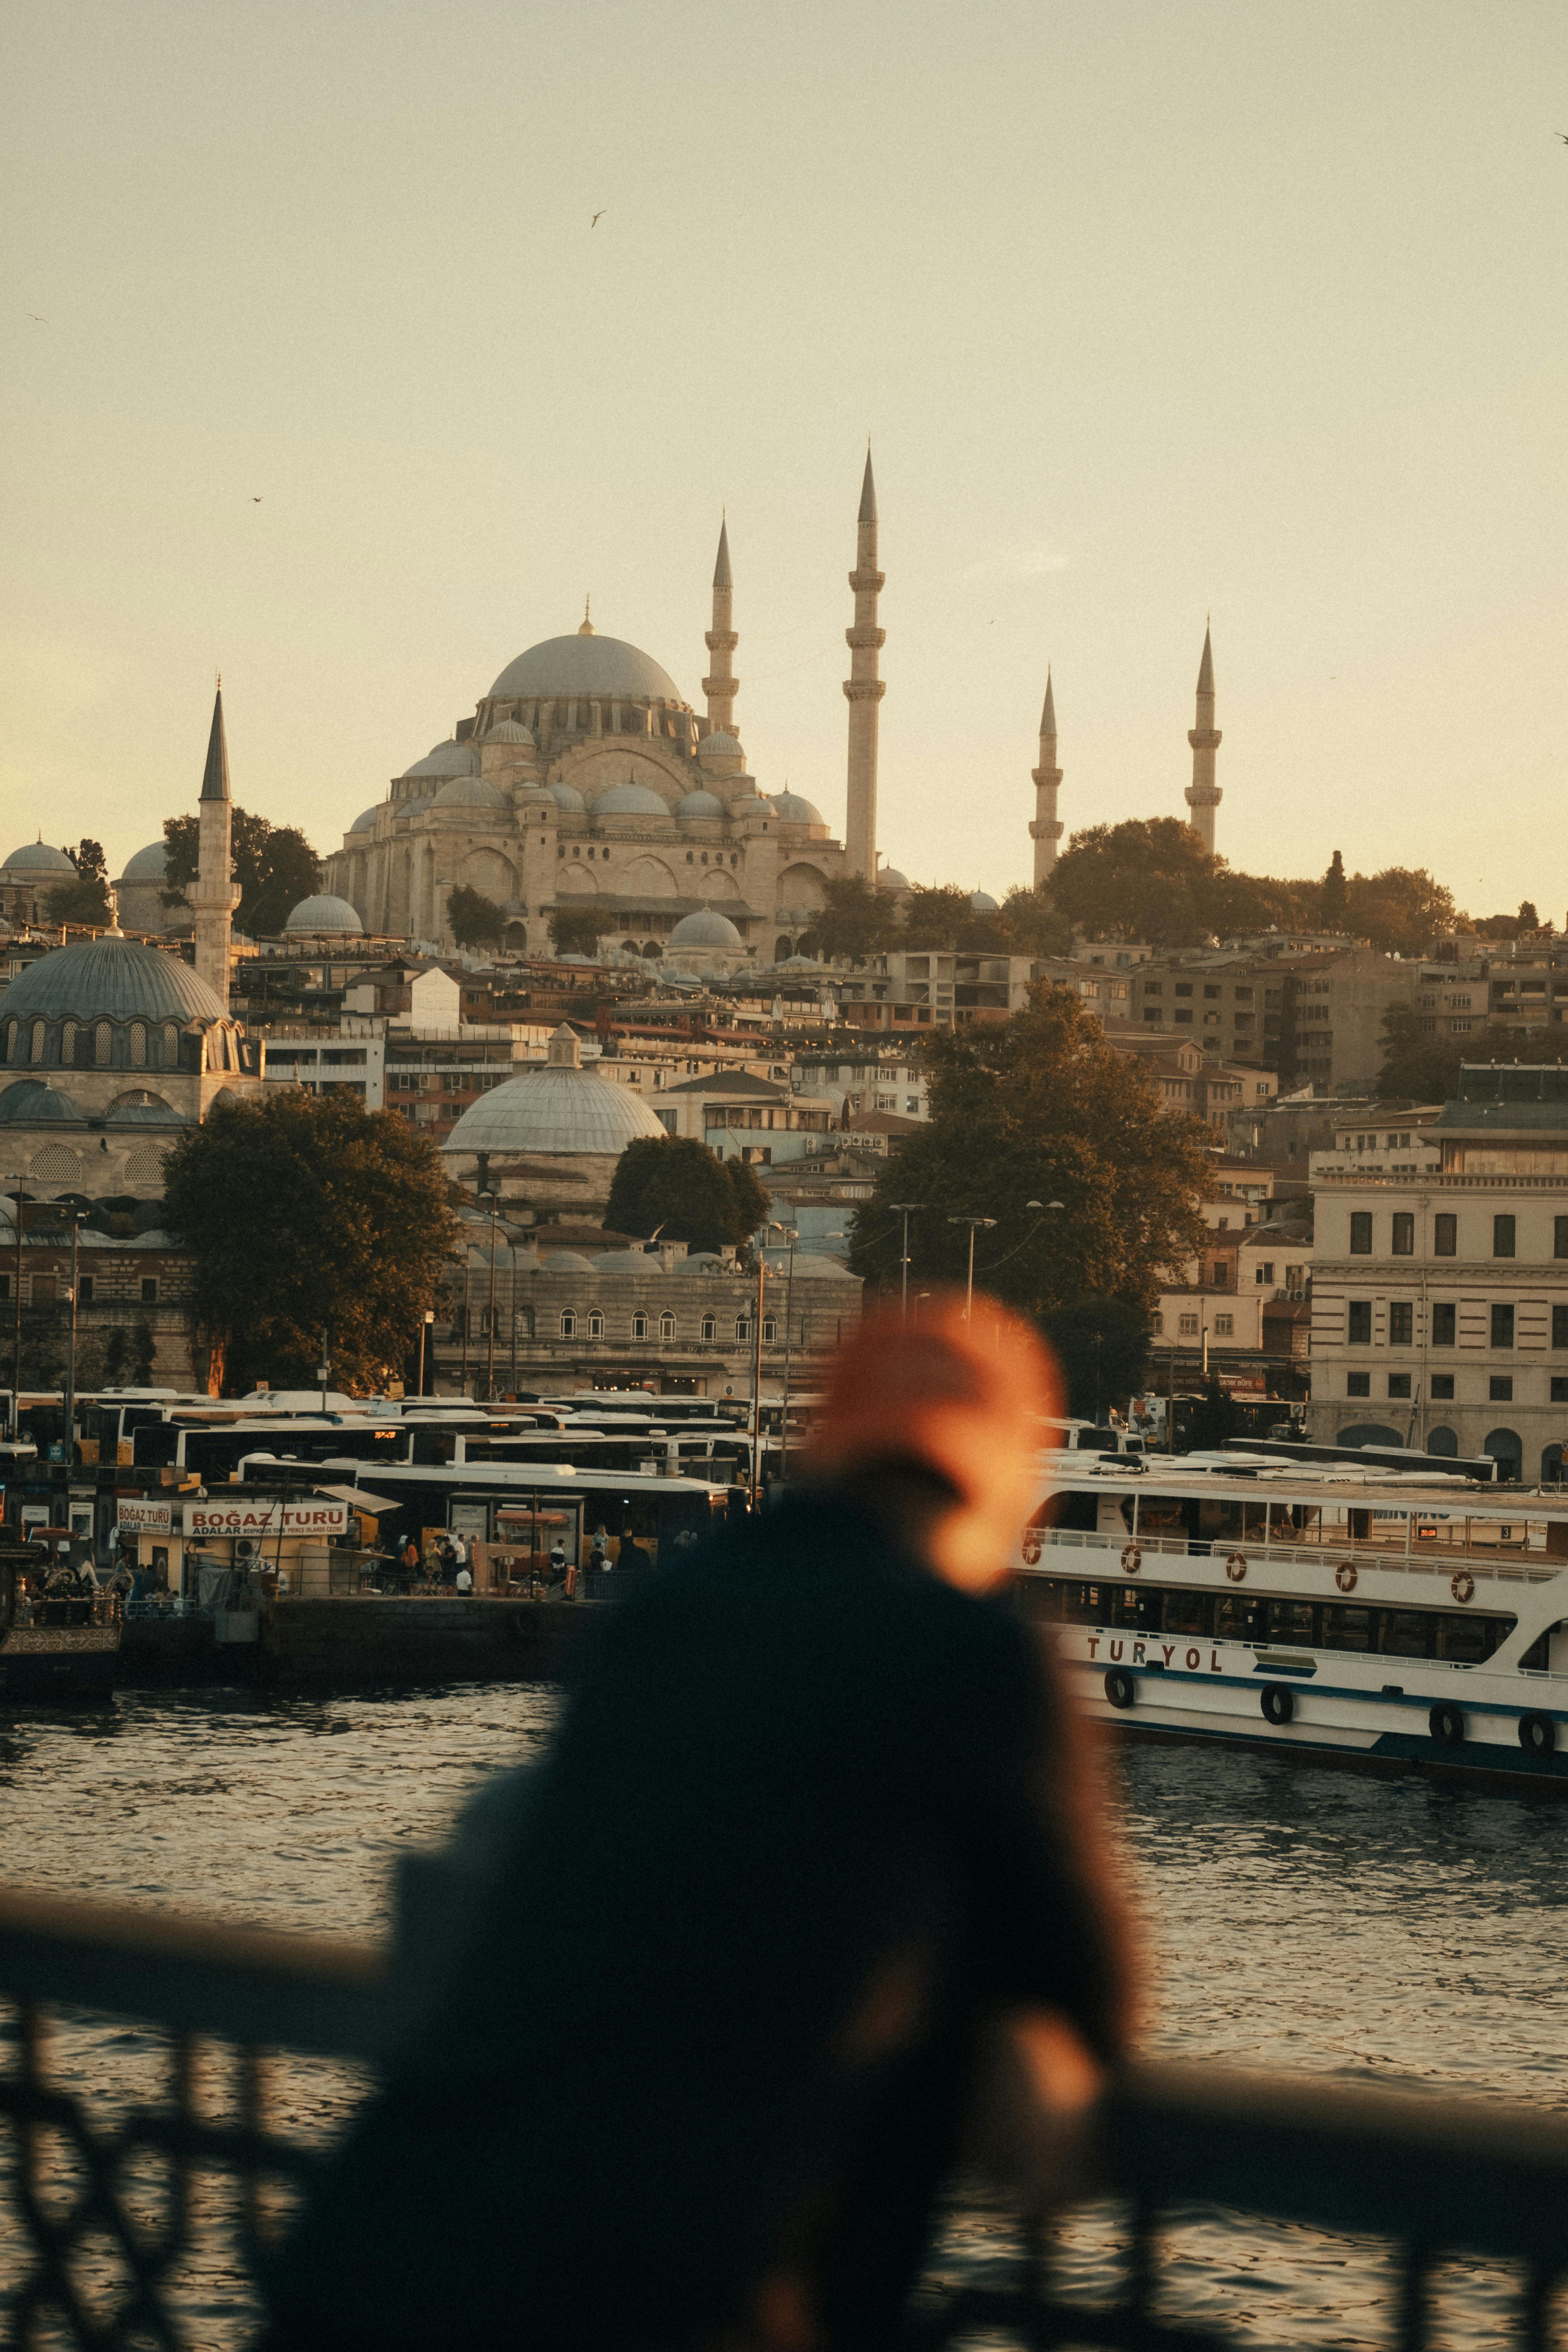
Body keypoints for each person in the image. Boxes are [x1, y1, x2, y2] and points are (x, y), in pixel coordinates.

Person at [260, 1292, 1137, 2352]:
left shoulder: (663, 1611)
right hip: (653, 2285)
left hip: (379, 2245)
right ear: (1016, 1492)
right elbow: (1084, 1968)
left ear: (825, 1447)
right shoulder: (977, 1654)